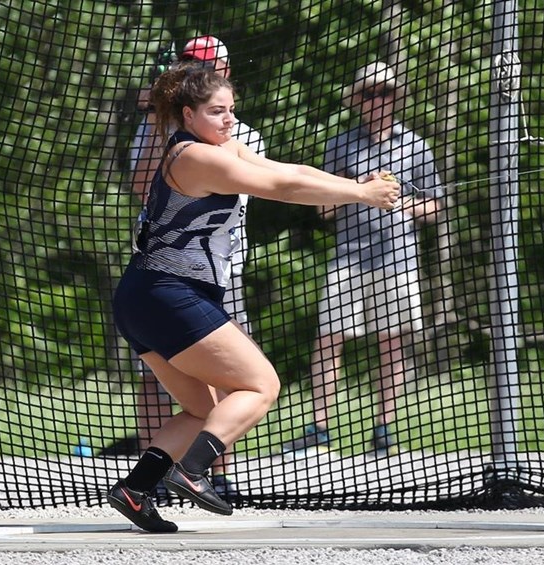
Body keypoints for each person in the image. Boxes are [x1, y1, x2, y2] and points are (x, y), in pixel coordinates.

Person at [106, 64, 400, 533]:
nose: (228, 119)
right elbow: (281, 189)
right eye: (216, 111)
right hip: (167, 294)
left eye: (231, 110)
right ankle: (193, 471)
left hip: (146, 297)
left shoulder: (220, 148)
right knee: (261, 385)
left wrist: (356, 187)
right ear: (188, 114)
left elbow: (292, 171)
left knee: (204, 410)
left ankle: (135, 489)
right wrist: (361, 194)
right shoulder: (196, 157)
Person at [124, 36, 266, 497]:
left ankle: (167, 482)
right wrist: (158, 120)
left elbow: (281, 178)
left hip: (202, 278)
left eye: (208, 65)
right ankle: (182, 475)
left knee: (217, 392)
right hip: (171, 281)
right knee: (255, 383)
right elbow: (141, 185)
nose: (198, 71)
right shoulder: (169, 136)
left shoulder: (236, 134)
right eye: (189, 64)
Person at [280, 62, 443, 457]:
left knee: (392, 341)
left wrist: (400, 202)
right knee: (328, 338)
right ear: (358, 100)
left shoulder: (415, 145)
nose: (377, 99)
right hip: (348, 256)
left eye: (384, 92)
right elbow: (323, 210)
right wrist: (358, 187)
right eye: (369, 93)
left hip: (398, 258)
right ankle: (319, 429)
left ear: (395, 97)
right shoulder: (340, 144)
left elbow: (436, 207)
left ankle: (384, 430)